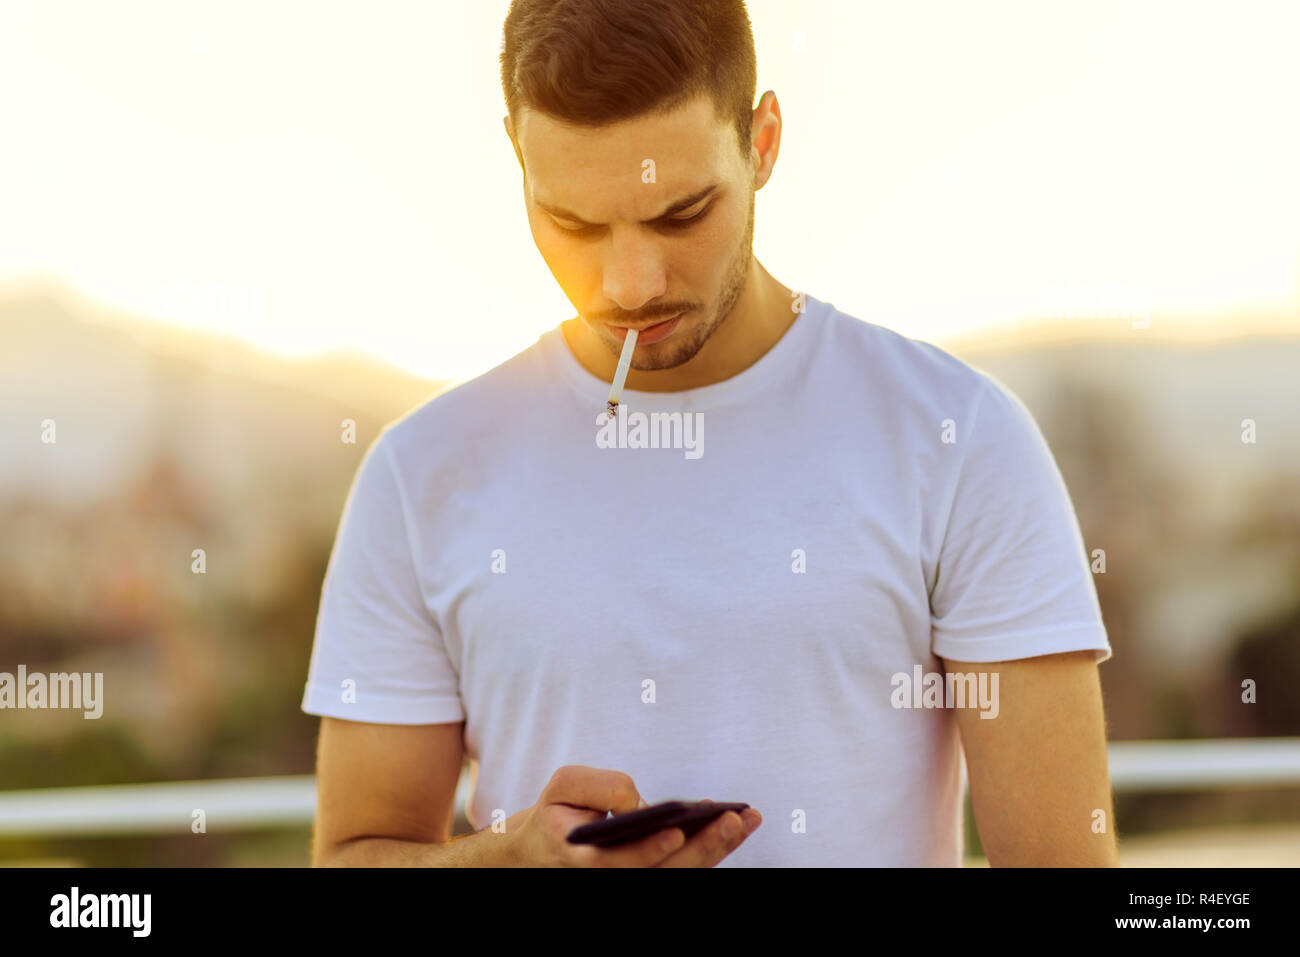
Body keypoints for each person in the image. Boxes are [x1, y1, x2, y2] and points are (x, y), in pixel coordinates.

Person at [301, 0, 1118, 867]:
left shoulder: (959, 439)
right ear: (515, 154)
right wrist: (506, 859)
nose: (629, 283)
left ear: (762, 142)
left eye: (681, 213)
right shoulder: (420, 472)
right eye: (575, 224)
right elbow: (353, 855)